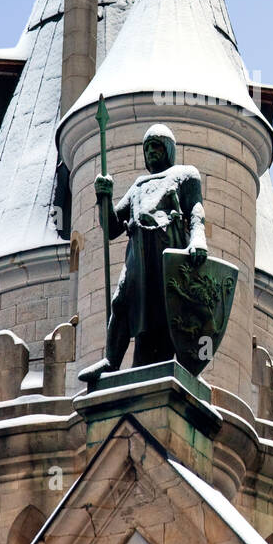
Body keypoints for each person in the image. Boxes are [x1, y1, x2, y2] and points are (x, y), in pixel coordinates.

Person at [79, 123, 208, 380]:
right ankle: (111, 361)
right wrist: (103, 197)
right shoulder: (139, 185)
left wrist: (198, 238)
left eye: (157, 146)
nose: (151, 151)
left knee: (173, 311)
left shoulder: (185, 175)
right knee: (121, 303)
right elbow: (112, 228)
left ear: (169, 149)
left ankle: (186, 364)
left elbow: (195, 210)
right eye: (147, 147)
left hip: (169, 254)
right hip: (138, 257)